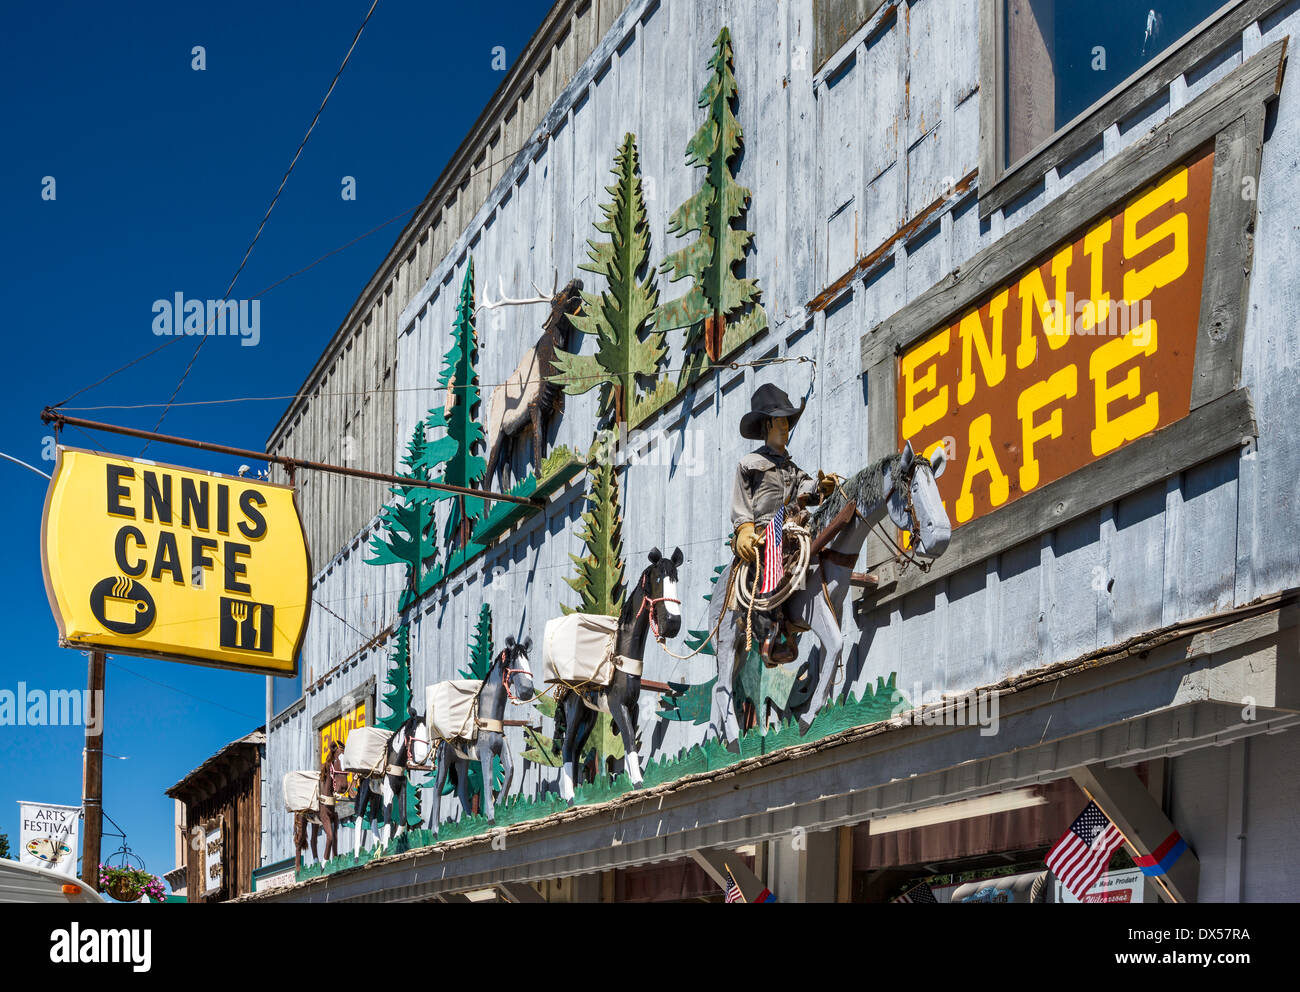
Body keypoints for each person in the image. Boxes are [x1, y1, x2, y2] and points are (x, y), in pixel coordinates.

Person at [708, 384, 836, 747]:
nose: (786, 427)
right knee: (768, 566)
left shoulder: (792, 468)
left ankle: (798, 621)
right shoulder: (749, 465)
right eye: (780, 421)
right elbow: (740, 506)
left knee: (811, 561)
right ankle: (770, 633)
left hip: (791, 531)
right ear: (766, 425)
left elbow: (807, 490)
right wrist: (745, 530)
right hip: (762, 537)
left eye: (788, 421)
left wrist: (822, 487)